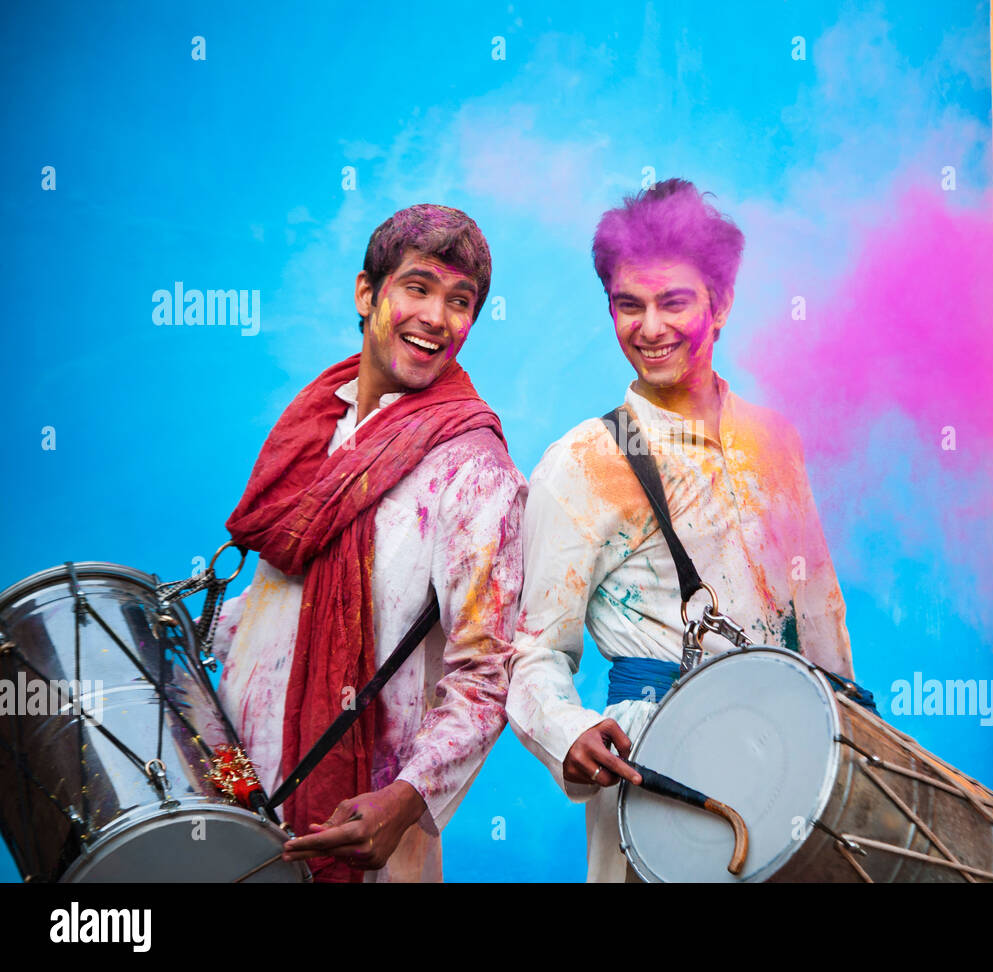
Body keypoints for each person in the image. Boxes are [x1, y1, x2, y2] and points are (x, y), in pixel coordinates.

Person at [505, 179, 855, 882]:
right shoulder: (582, 464)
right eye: (628, 305)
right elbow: (531, 650)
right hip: (659, 768)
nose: (650, 327)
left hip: (788, 754)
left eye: (674, 302)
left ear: (721, 304)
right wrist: (567, 731)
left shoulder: (775, 441)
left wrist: (850, 746)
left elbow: (819, 614)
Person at [211, 204, 527, 883]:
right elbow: (276, 612)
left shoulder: (474, 470)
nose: (436, 318)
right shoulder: (312, 427)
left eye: (459, 300)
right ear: (368, 293)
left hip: (368, 838)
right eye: (418, 288)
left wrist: (405, 799)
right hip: (238, 808)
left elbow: (484, 678)